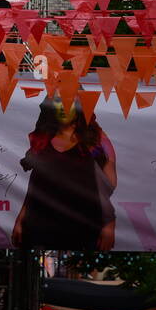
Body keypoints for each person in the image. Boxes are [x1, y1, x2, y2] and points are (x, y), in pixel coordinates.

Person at [13, 97, 117, 251]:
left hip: (82, 227)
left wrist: (109, 224)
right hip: (40, 226)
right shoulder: (43, 140)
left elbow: (108, 188)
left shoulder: (95, 139)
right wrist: (20, 220)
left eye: (71, 100)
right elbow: (35, 185)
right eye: (57, 100)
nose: (64, 106)